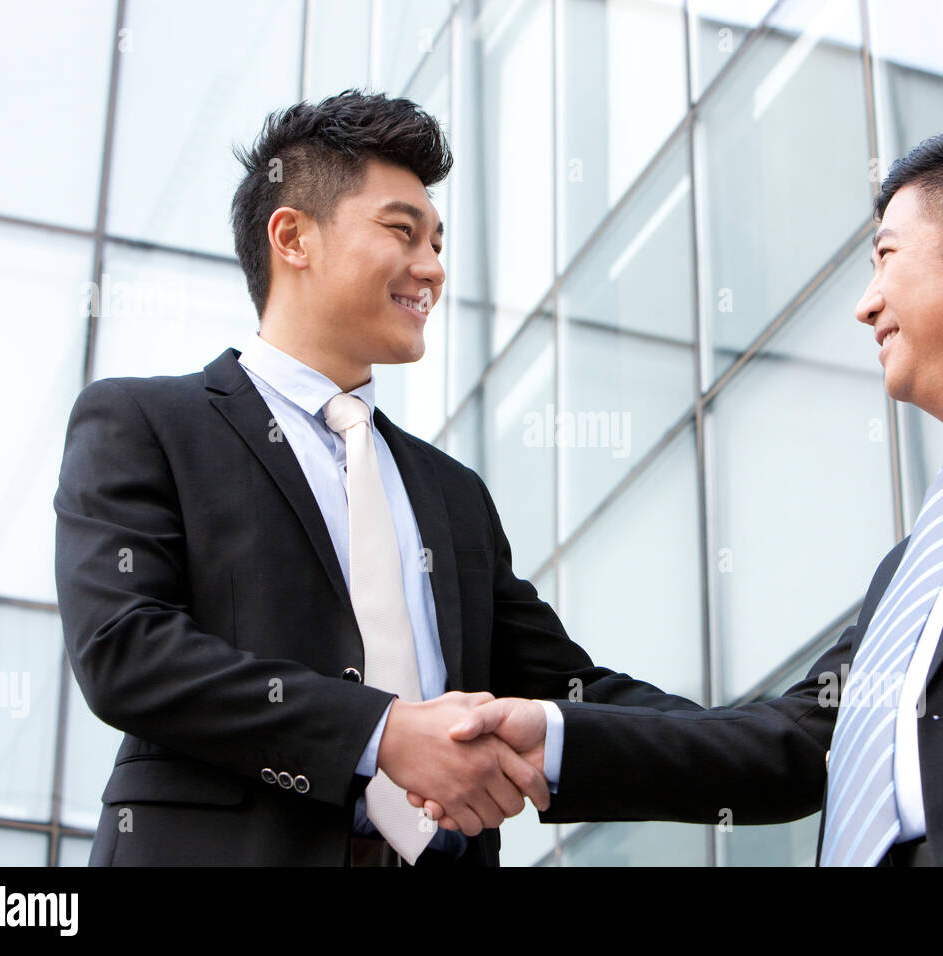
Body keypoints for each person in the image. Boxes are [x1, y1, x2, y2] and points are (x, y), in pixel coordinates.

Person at [417, 125, 943, 866]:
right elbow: (785, 744)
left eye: (886, 258)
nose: (866, 302)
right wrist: (553, 734)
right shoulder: (914, 566)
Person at [53, 90, 696, 867]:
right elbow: (125, 649)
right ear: (293, 237)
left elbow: (572, 689)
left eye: (437, 241)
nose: (431, 267)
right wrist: (382, 732)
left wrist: (783, 734)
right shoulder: (143, 422)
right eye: (403, 231)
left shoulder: (452, 496)